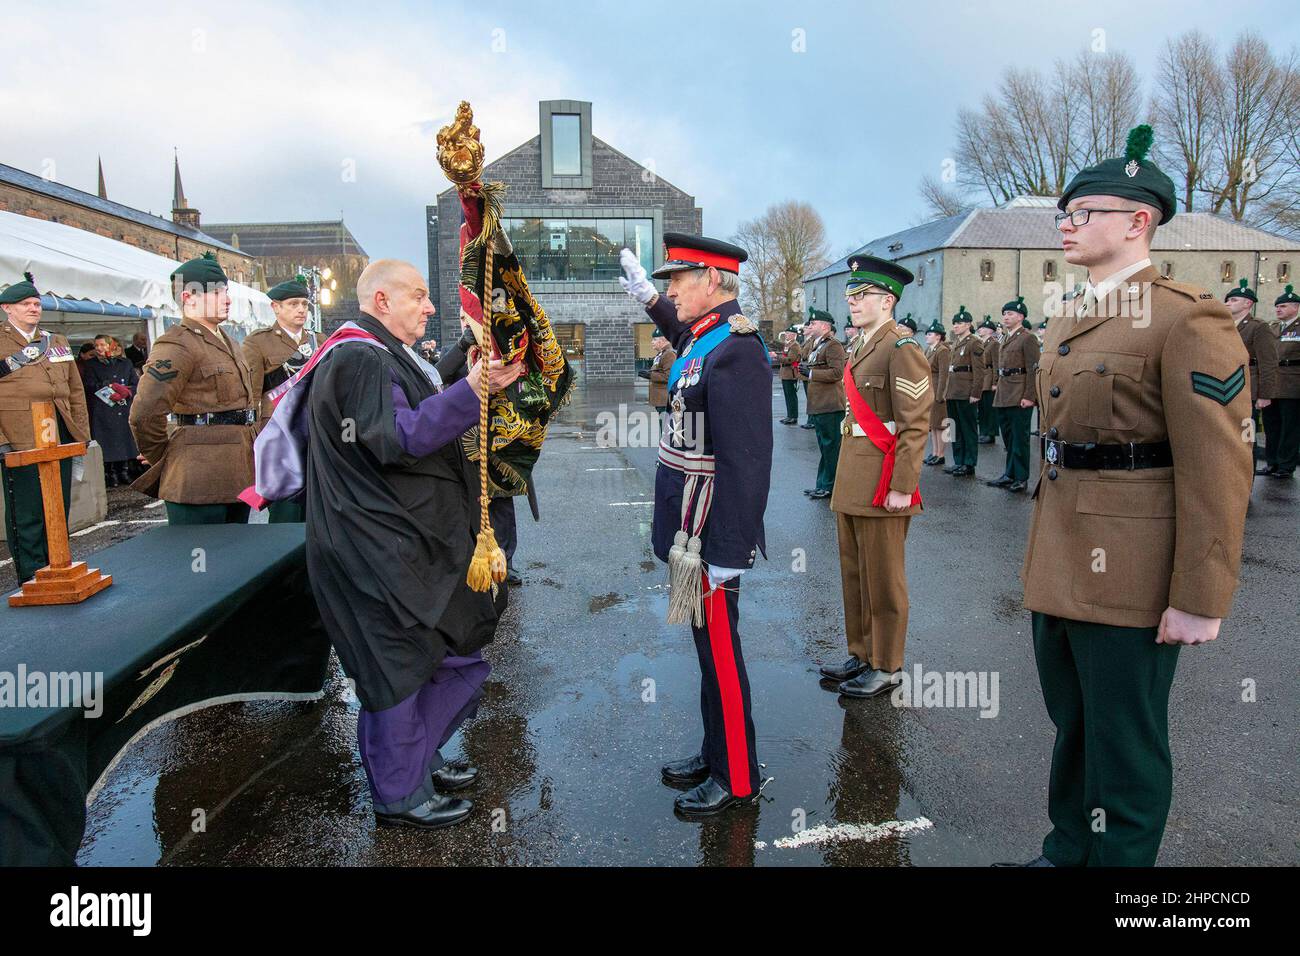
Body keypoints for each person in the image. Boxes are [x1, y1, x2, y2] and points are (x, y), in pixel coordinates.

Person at [1005, 125, 1253, 868]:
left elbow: (1218, 468)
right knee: (1074, 726)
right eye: (1065, 215)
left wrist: (1201, 594)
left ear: (1138, 221)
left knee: (1126, 747)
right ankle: (1067, 850)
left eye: (1084, 213)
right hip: (1061, 560)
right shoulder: (1072, 312)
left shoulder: (1187, 316)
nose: (1066, 226)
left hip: (1133, 573)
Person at [298, 258, 522, 829]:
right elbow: (398, 437)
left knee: (447, 656)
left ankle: (419, 756)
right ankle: (399, 793)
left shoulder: (378, 354)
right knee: (397, 669)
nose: (429, 306)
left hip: (402, 546)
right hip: (375, 551)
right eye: (418, 297)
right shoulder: (355, 358)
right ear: (380, 302)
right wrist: (471, 391)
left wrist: (472, 377)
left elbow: (417, 404)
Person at [618, 235, 771, 817]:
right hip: (691, 523)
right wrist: (645, 297)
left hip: (712, 529)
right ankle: (715, 752)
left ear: (713, 281)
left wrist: (733, 544)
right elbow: (681, 336)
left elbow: (748, 458)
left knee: (722, 655)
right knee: (707, 650)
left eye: (679, 279)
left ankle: (737, 775)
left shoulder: (738, 348)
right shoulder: (704, 336)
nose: (671, 289)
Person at [820, 255, 929, 698]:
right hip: (853, 476)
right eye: (850, 295)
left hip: (884, 480)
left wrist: (903, 485)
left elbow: (915, 422)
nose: (852, 302)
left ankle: (886, 664)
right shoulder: (863, 344)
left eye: (861, 295)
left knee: (884, 578)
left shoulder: (901, 348)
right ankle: (861, 652)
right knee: (855, 573)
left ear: (887, 300)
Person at [128, 253, 256, 525]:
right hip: (198, 481)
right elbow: (145, 414)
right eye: (217, 292)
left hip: (238, 474)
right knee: (202, 562)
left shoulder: (231, 344)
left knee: (240, 563)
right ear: (189, 297)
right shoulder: (177, 345)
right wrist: (169, 458)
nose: (227, 299)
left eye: (226, 291)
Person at [0, 272, 91, 584]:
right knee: (27, 512)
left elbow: (75, 390)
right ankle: (32, 574)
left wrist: (81, 433)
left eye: (37, 303)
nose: (33, 308)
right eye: (25, 303)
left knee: (57, 504)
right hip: (19, 436)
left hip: (58, 431)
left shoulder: (56, 341)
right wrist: (1, 442)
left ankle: (57, 564)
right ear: (6, 309)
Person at [241, 276, 323, 522]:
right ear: (276, 307)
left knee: (317, 508)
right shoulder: (258, 343)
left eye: (305, 304)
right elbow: (251, 395)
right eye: (293, 304)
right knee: (285, 513)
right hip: (279, 436)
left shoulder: (319, 340)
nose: (301, 309)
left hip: (314, 431)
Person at [1224, 279, 1278, 471]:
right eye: (1227, 300)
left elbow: (1268, 362)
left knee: (1247, 438)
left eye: (1234, 300)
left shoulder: (1258, 327)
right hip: (1226, 389)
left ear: (1248, 303)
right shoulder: (1224, 326)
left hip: (1249, 389)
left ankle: (1246, 481)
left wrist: (1265, 394)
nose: (1228, 303)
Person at [986, 296, 1039, 492]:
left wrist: (1029, 396)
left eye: (1010, 314)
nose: (1006, 317)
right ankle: (1009, 474)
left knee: (1020, 438)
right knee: (1008, 437)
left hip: (1019, 393)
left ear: (1020, 316)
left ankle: (1021, 477)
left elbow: (1033, 369)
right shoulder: (1006, 338)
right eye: (1004, 314)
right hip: (1004, 392)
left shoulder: (1028, 338)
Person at [82, 333, 139, 487]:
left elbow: (136, 383)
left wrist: (127, 391)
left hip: (122, 406)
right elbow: (88, 386)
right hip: (103, 408)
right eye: (97, 346)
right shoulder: (91, 365)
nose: (99, 348)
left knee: (125, 439)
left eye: (102, 345)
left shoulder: (125, 363)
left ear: (111, 345)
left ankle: (125, 470)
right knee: (107, 441)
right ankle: (111, 472)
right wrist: (107, 386)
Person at [802, 308, 846, 500]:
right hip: (820, 404)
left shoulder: (833, 345)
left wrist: (811, 374)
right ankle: (822, 484)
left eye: (814, 323)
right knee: (824, 447)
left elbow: (837, 373)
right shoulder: (817, 344)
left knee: (831, 447)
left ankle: (830, 486)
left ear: (825, 326)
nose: (810, 326)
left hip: (830, 405)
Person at [1264, 283, 1299, 479]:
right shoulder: (1273, 327)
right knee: (1271, 425)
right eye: (1278, 306)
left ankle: (1286, 465)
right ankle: (1272, 463)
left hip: (1293, 382)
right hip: (1272, 383)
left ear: (1296, 307)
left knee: (1290, 427)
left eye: (1284, 306)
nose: (1279, 309)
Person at [942, 306, 983, 476]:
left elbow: (979, 370)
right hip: (953, 391)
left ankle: (969, 463)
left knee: (968, 428)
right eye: (954, 324)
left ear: (968, 325)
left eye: (959, 323)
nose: (955, 326)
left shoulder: (974, 342)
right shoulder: (956, 343)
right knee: (954, 428)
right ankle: (959, 460)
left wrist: (975, 393)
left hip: (966, 391)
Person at [923, 319, 949, 466]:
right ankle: (934, 452)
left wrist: (941, 394)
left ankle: (941, 454)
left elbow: (944, 374)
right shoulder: (929, 350)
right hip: (930, 391)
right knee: (933, 425)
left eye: (930, 334)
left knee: (943, 424)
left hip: (938, 391)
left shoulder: (942, 350)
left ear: (938, 336)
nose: (927, 336)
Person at [638, 330, 675, 415]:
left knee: (665, 425)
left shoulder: (668, 354)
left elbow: (668, 376)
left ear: (662, 341)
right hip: (661, 399)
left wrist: (650, 375)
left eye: (654, 339)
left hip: (664, 399)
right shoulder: (662, 354)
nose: (652, 342)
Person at [976, 315, 999, 444]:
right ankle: (983, 432)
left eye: (983, 328)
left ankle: (990, 433)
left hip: (989, 379)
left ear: (990, 330)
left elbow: (997, 363)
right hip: (981, 379)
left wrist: (995, 382)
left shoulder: (994, 344)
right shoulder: (980, 343)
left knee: (990, 409)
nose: (980, 330)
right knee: (982, 408)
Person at [777, 328, 801, 424]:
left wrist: (778, 357)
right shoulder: (788, 344)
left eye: (788, 333)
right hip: (785, 373)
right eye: (786, 333)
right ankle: (789, 415)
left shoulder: (794, 345)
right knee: (788, 396)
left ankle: (793, 416)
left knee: (791, 396)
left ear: (794, 335)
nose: (786, 335)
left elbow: (790, 359)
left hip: (790, 373)